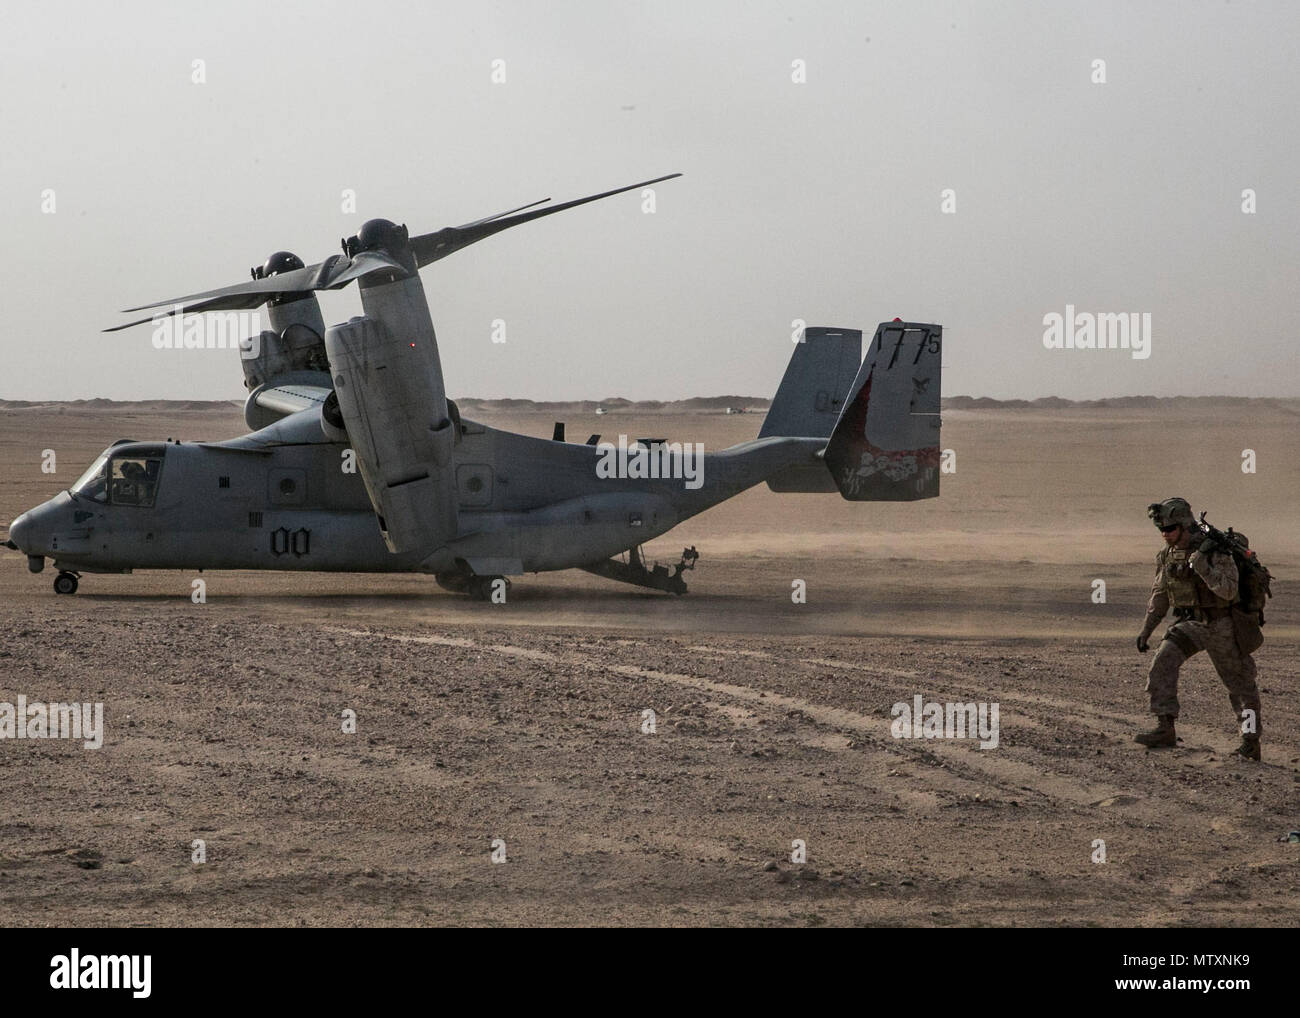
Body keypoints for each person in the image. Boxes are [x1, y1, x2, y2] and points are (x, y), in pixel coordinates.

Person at [1135, 498, 1262, 760]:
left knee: (1240, 687)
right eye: (1162, 529)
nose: (1165, 534)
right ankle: (1165, 727)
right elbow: (1160, 594)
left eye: (1170, 529)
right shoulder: (1168, 554)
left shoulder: (1216, 550)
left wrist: (1202, 567)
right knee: (1162, 664)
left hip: (1222, 624)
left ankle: (1250, 742)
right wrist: (1146, 630)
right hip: (1191, 624)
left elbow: (1228, 591)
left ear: (1183, 525)